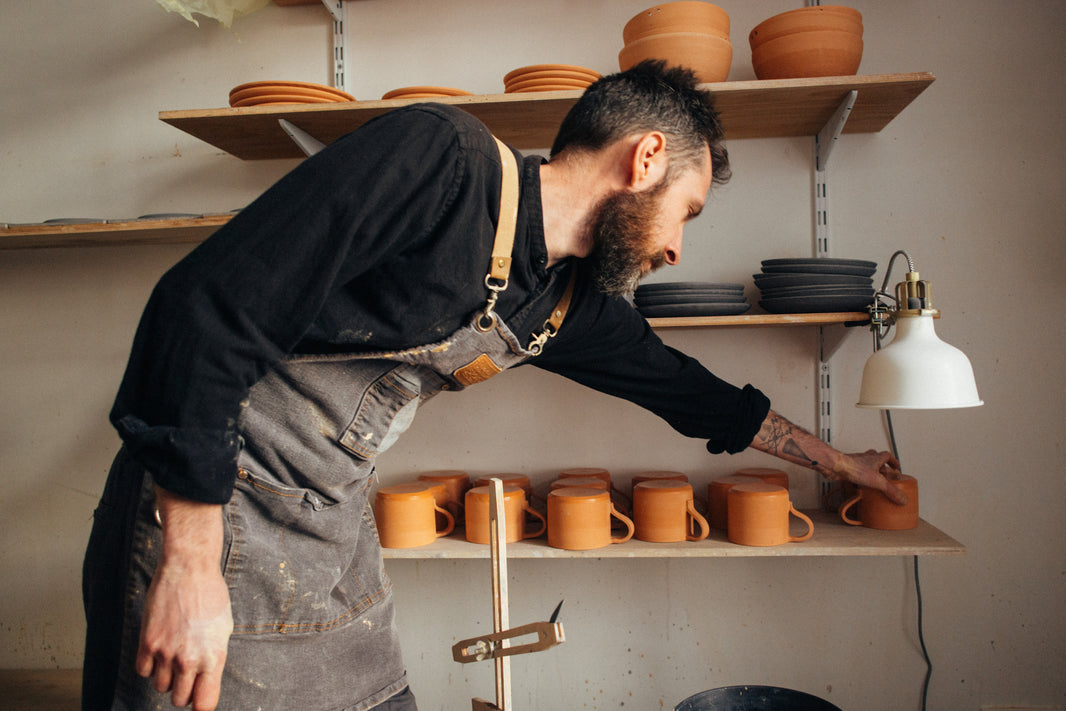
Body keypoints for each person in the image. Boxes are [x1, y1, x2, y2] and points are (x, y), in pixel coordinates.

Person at [82, 60, 905, 711]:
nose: (676, 250)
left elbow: (696, 395)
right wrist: (190, 564)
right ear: (647, 156)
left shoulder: (568, 303)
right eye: (685, 212)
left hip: (328, 523)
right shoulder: (441, 159)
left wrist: (841, 465)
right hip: (211, 508)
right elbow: (203, 307)